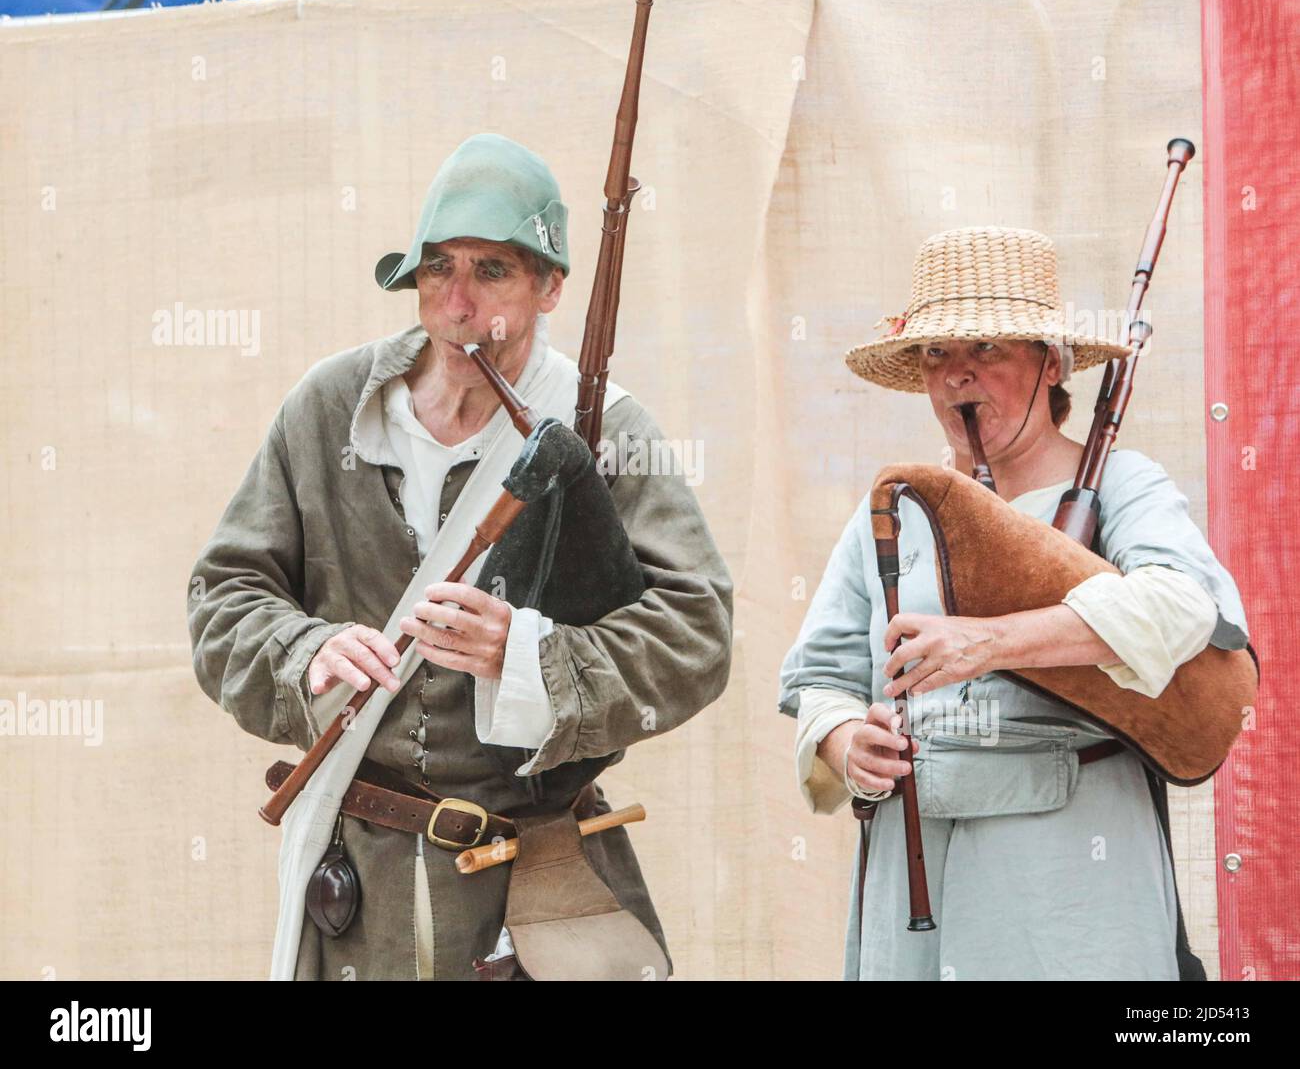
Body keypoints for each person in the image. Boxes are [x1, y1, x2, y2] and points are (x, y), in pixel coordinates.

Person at [188, 132, 733, 980]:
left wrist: (527, 655)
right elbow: (225, 594)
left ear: (551, 286)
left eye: (491, 272)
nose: (456, 303)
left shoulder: (603, 429)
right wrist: (308, 651)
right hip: (357, 893)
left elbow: (695, 635)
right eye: (438, 268)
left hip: (539, 886)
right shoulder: (327, 409)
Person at [779, 225, 1250, 980]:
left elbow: (1186, 605)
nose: (959, 376)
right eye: (939, 353)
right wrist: (846, 742)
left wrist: (992, 640)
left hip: (1070, 871)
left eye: (988, 350)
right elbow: (817, 678)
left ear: (1052, 363)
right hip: (915, 868)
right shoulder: (893, 509)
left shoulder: (1125, 487)